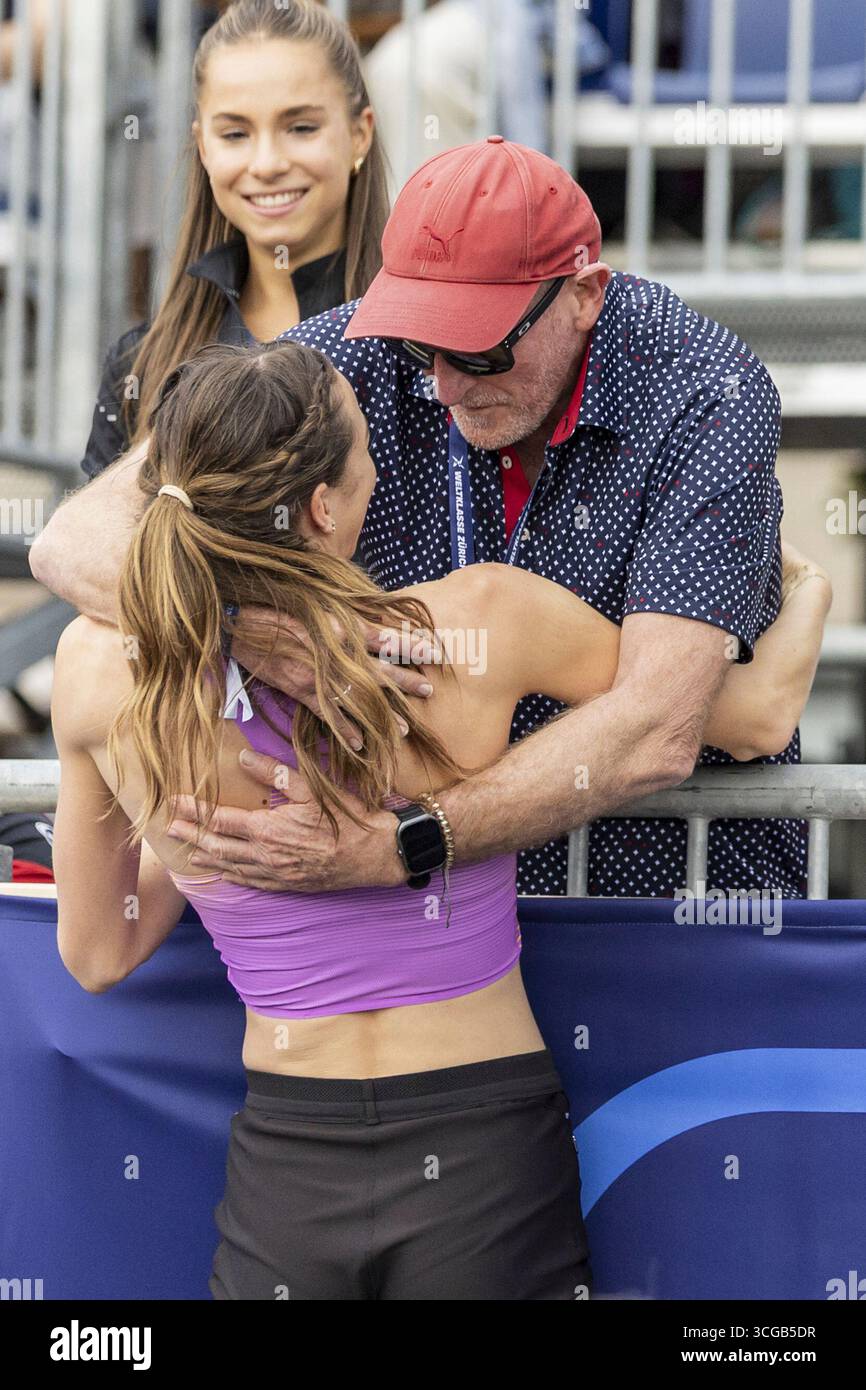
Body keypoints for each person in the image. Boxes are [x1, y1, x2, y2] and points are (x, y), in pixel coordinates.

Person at [50, 336, 829, 1300]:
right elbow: (752, 718)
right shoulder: (480, 625)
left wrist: (205, 844)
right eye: (367, 440)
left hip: (289, 1160)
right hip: (482, 1149)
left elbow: (99, 953)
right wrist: (813, 592)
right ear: (328, 505)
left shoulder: (96, 671)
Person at [31, 136, 826, 900]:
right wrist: (257, 628)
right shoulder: (356, 352)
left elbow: (658, 728)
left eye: (480, 352)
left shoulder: (706, 393)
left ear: (584, 295)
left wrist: (406, 844)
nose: (444, 385)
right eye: (421, 348)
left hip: (667, 901)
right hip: (433, 922)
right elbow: (72, 541)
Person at [81, 0, 388, 481]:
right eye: (235, 133)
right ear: (203, 147)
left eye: (301, 127)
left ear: (359, 134)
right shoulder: (139, 366)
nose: (266, 163)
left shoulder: (421, 356)